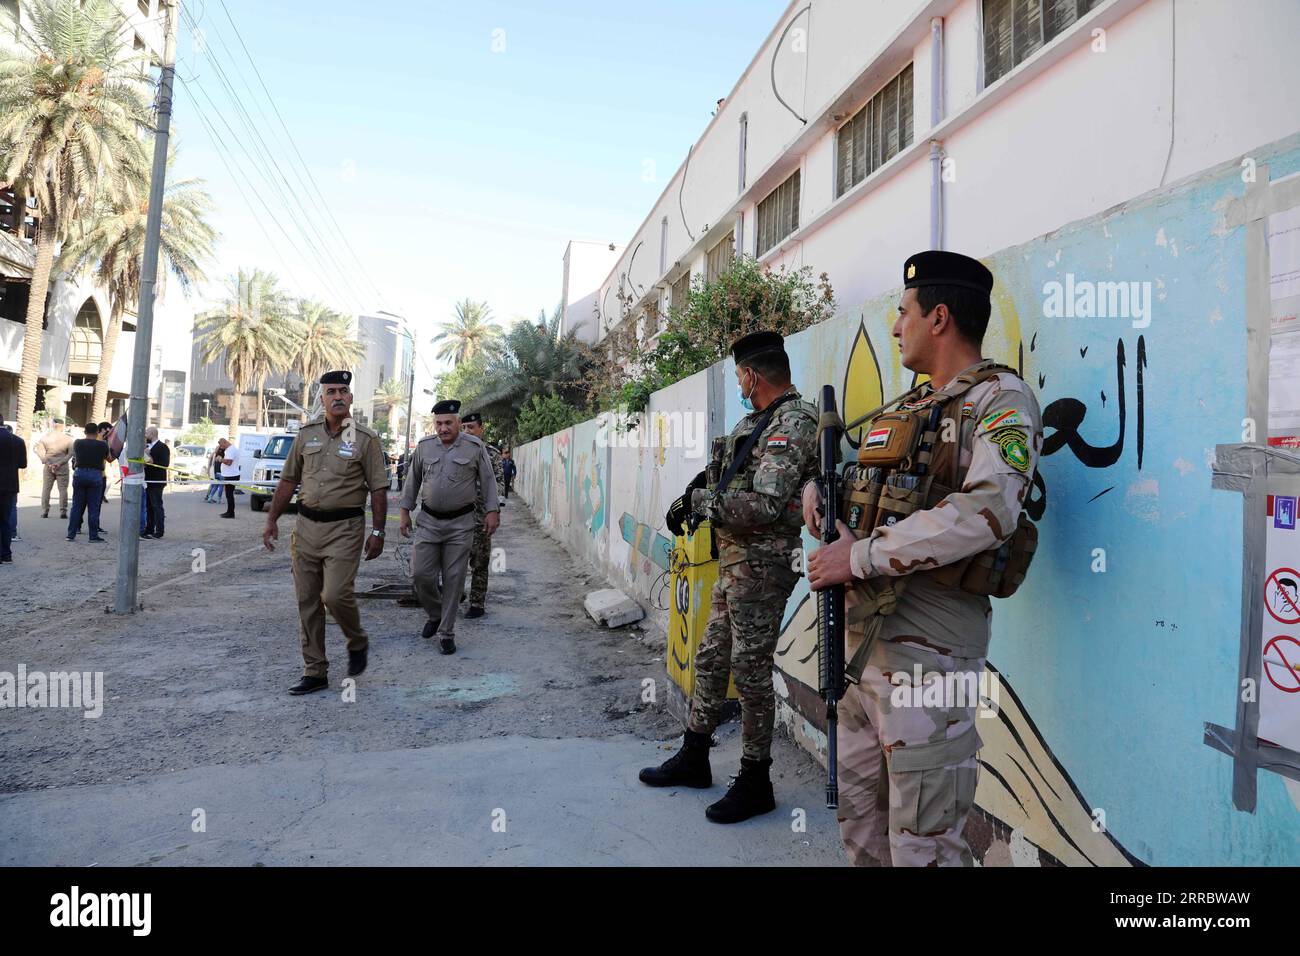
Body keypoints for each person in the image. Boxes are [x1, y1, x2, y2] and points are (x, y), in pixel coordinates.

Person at [804, 250, 1044, 867]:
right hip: (861, 655)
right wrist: (818, 496)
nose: (894, 326)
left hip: (928, 663)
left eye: (903, 312)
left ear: (938, 318)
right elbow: (859, 485)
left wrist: (857, 558)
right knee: (863, 836)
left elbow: (991, 510)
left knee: (926, 847)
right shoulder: (906, 408)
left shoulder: (1001, 401)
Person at [639, 330, 819, 824]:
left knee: (750, 669)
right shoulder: (758, 422)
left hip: (764, 565)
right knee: (713, 655)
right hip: (736, 561)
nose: (739, 382)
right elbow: (733, 477)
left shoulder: (793, 422)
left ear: (751, 375)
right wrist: (702, 486)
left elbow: (764, 504)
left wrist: (701, 503)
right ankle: (695, 756)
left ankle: (756, 778)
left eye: (740, 374)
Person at [263, 370, 388, 695]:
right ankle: (315, 670)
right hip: (305, 528)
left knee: (334, 595)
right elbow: (289, 480)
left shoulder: (365, 439)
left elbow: (378, 488)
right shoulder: (306, 435)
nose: (337, 396)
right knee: (307, 599)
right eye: (331, 391)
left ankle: (356, 639)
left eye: (343, 391)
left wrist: (378, 531)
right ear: (321, 398)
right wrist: (272, 519)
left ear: (350, 398)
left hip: (345, 529)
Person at [399, 399, 499, 655]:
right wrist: (404, 513)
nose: (443, 428)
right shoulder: (424, 447)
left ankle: (446, 632)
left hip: (461, 524)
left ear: (457, 423)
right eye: (439, 424)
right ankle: (434, 613)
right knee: (420, 574)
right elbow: (412, 481)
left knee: (454, 579)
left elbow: (488, 481)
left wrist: (492, 511)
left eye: (448, 423)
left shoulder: (474, 447)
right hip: (429, 522)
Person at [460, 412, 505, 619]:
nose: (467, 431)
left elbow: (499, 484)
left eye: (471, 427)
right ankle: (456, 594)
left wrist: (494, 511)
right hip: (458, 516)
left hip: (480, 517)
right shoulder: (456, 449)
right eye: (464, 427)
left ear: (481, 429)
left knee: (480, 561)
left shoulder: (491, 453)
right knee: (454, 560)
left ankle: (477, 603)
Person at [67, 423, 110, 543]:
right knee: (94, 507)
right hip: (95, 475)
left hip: (79, 474)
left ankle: (71, 534)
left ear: (85, 432)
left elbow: (76, 456)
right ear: (97, 433)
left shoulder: (78, 443)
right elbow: (109, 458)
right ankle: (93, 536)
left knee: (76, 506)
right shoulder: (102, 444)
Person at [34, 418, 72, 519]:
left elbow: (41, 453)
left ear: (53, 425)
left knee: (46, 489)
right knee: (63, 489)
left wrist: (48, 463)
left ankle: (45, 511)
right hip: (62, 466)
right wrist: (60, 463)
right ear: (62, 426)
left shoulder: (45, 438)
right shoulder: (68, 439)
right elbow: (70, 454)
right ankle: (63, 511)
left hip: (48, 466)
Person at [0, 417, 26, 564]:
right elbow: (23, 464)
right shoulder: (18, 440)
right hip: (10, 485)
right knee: (5, 520)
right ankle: (6, 554)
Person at [141, 426, 170, 539]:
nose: (145, 435)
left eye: (146, 433)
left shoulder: (162, 447)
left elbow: (164, 464)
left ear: (152, 434)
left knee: (157, 506)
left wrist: (149, 456)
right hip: (147, 480)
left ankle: (159, 530)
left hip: (157, 481)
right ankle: (149, 528)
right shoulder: (147, 446)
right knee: (149, 506)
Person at [218, 437, 240, 517]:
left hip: (231, 475)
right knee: (228, 494)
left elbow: (229, 462)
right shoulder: (230, 449)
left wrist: (220, 459)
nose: (221, 447)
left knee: (229, 494)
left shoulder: (231, 450)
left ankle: (231, 513)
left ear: (224, 442)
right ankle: (229, 512)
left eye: (221, 445)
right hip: (230, 475)